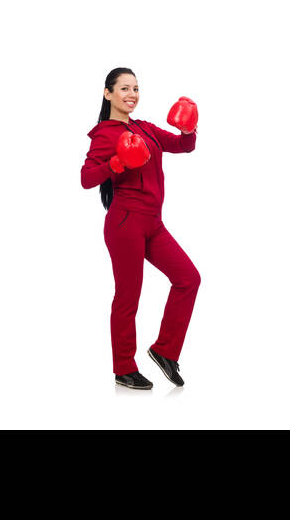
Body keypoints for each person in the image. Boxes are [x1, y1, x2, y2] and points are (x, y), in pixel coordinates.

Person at [80, 68, 201, 390]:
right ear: (108, 94)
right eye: (124, 88)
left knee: (188, 279)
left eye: (136, 88)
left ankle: (165, 351)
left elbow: (182, 146)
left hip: (153, 223)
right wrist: (117, 163)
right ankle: (124, 368)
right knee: (128, 296)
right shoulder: (104, 134)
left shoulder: (144, 128)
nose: (132, 94)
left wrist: (189, 129)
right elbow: (86, 178)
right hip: (125, 222)